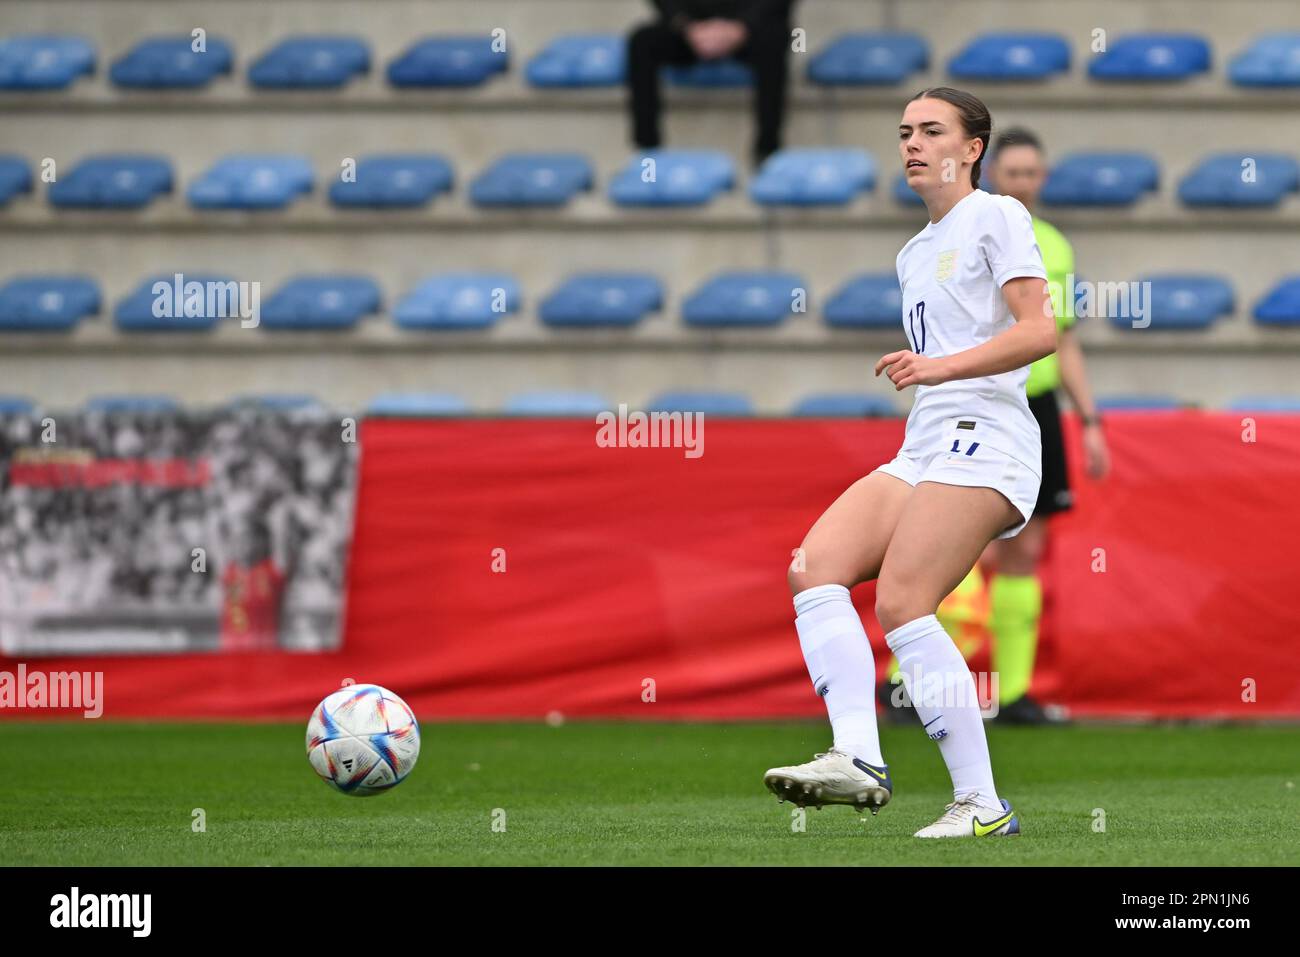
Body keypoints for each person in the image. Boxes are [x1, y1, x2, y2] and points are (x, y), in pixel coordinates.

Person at [763, 87, 1057, 838]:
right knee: (813, 566)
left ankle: (983, 804)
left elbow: (1039, 333)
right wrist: (935, 378)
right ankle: (857, 754)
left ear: (972, 148)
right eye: (905, 132)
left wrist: (940, 367)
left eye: (932, 131)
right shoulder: (914, 250)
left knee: (902, 600)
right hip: (926, 442)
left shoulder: (997, 215)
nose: (914, 145)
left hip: (988, 436)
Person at [981, 128, 1110, 723]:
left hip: (1039, 407)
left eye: (1033, 174)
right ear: (991, 175)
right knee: (958, 547)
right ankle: (910, 683)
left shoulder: (1054, 245)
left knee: (1026, 547)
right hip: (983, 403)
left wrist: (1089, 419)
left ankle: (1013, 694)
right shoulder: (971, 234)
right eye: (1014, 174)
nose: (1024, 184)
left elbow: (1065, 339)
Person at [626, 1, 797, 166]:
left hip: (753, 26)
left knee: (773, 39)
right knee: (642, 41)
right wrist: (687, 26)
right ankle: (647, 151)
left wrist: (742, 26)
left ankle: (768, 151)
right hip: (690, 27)